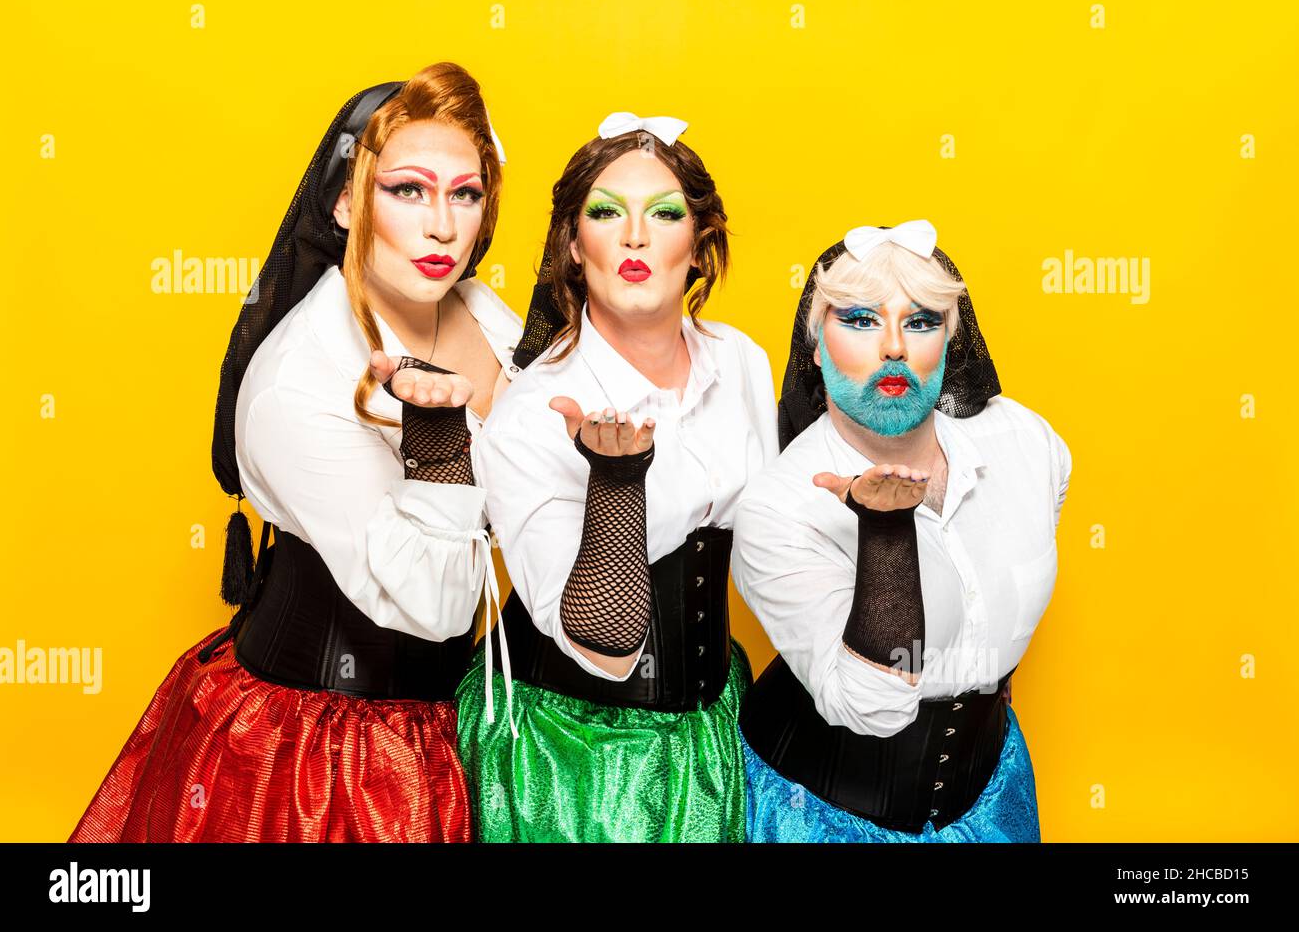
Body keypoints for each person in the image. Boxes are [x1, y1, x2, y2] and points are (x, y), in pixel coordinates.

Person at [69, 62, 521, 842]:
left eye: (466, 193)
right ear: (347, 201)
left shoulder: (484, 313)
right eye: (408, 190)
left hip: (466, 724)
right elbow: (440, 606)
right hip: (323, 752)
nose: (443, 224)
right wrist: (442, 441)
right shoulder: (296, 381)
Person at [457, 112, 779, 842]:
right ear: (574, 246)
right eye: (606, 213)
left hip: (709, 736)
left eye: (664, 214)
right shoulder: (533, 413)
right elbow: (603, 647)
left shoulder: (743, 363)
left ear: (698, 245)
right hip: (567, 757)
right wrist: (616, 480)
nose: (634, 236)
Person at [733, 220, 1071, 842]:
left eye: (920, 322)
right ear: (814, 346)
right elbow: (871, 707)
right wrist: (886, 530)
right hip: (821, 817)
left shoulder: (1028, 443)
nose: (894, 346)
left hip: (994, 797)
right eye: (860, 320)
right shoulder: (776, 510)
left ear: (951, 340)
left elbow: (1001, 590)